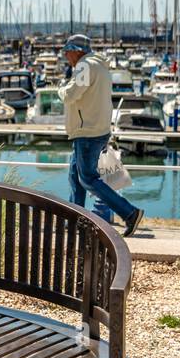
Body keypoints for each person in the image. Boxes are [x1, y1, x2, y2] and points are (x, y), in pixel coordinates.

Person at [57, 33, 145, 237]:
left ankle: (129, 213)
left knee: (87, 178)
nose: (66, 57)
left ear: (77, 51)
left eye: (67, 52)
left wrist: (61, 89)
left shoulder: (85, 66)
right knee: (75, 177)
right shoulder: (100, 66)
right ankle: (74, 220)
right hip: (97, 129)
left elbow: (71, 95)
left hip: (86, 131)